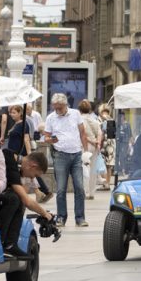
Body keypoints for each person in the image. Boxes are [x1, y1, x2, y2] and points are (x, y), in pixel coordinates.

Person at [39, 93, 89, 227]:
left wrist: (86, 151)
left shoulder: (75, 114)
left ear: (65, 105)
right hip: (60, 155)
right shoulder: (51, 118)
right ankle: (61, 217)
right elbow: (46, 137)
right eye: (55, 107)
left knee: (79, 187)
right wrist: (50, 140)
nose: (57, 110)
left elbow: (82, 133)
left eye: (60, 107)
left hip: (77, 154)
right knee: (61, 189)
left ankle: (80, 218)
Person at [0, 148, 54, 255]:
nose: (33, 178)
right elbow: (27, 200)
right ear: (32, 166)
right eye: (35, 175)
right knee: (14, 199)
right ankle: (2, 241)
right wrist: (45, 214)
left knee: (17, 199)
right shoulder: (9, 160)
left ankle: (10, 244)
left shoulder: (17, 166)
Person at [78, 99, 104, 197]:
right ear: (89, 109)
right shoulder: (95, 119)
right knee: (93, 169)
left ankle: (86, 192)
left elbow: (82, 134)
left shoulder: (79, 120)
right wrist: (97, 143)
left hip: (84, 146)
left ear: (79, 110)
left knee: (85, 169)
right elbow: (100, 133)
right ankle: (92, 192)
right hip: (95, 147)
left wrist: (91, 141)